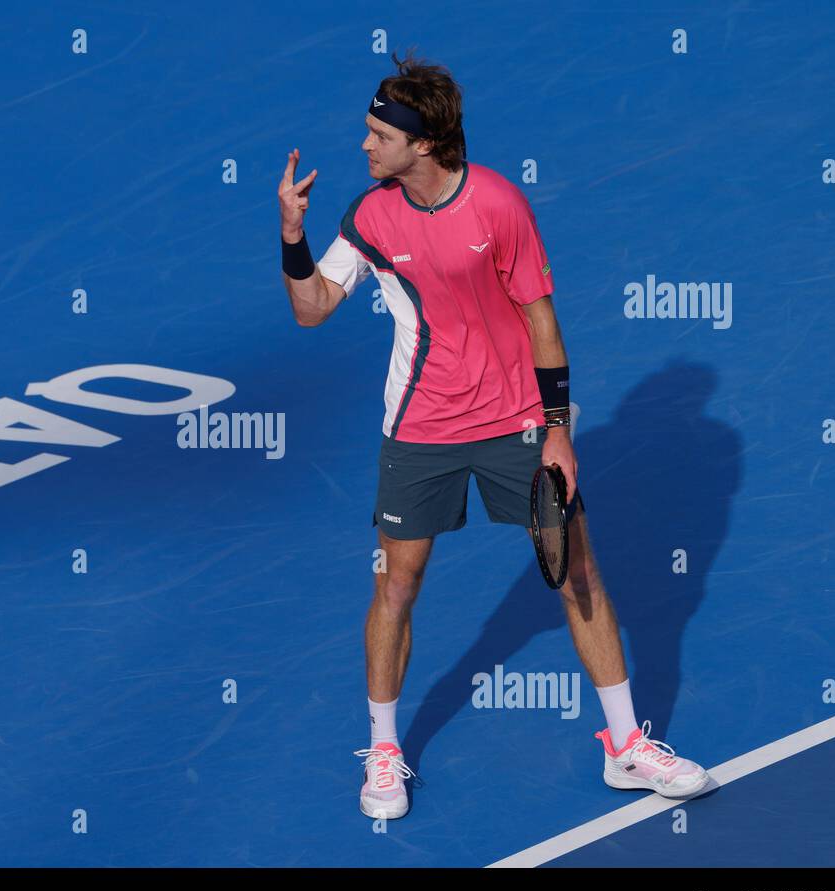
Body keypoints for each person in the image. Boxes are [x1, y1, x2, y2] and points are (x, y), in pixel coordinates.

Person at [278, 50, 710, 820]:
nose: (365, 146)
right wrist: (292, 234)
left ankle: (624, 747)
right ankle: (383, 750)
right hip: (420, 429)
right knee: (397, 583)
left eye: (379, 134)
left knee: (580, 573)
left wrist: (557, 431)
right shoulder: (371, 214)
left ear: (423, 143)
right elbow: (312, 308)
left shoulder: (499, 207)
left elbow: (541, 319)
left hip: (514, 420)